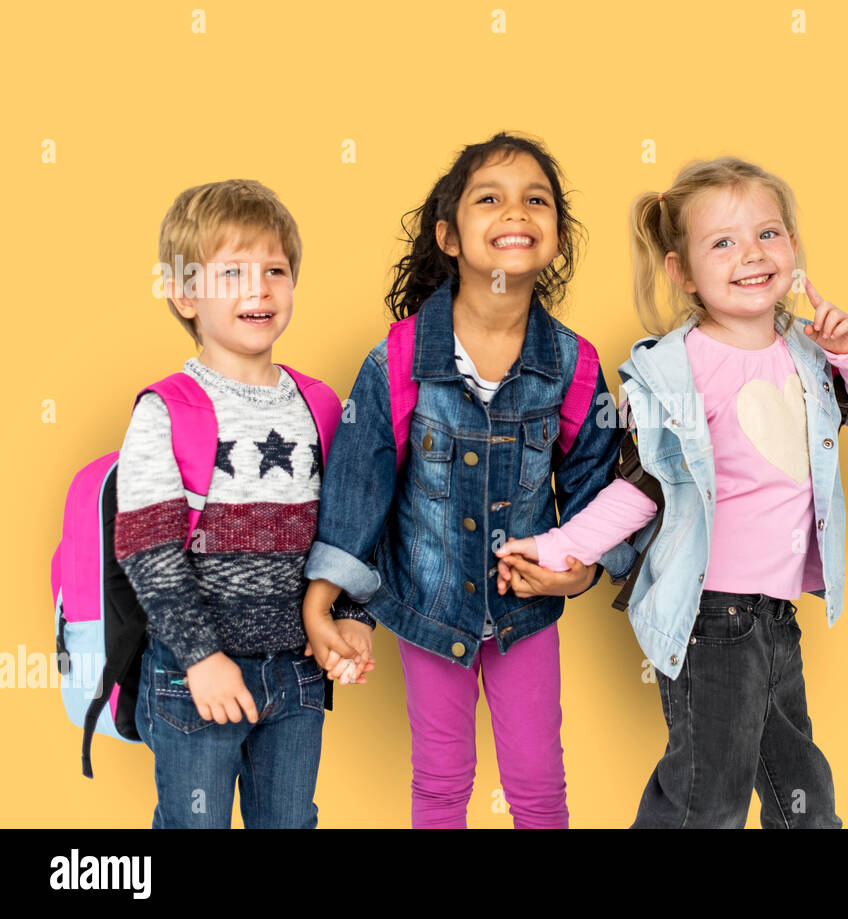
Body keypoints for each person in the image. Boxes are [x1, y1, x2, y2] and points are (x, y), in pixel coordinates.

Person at [495, 156, 848, 827]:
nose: (752, 254)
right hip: (712, 618)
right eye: (723, 243)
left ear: (793, 245)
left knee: (802, 790)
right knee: (705, 796)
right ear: (682, 272)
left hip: (775, 615)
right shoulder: (677, 371)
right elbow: (642, 489)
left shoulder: (807, 353)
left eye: (768, 233)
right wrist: (561, 545)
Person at [301, 133, 634, 828]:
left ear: (557, 239)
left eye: (536, 200)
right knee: (442, 779)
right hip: (427, 608)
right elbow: (359, 487)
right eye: (490, 198)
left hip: (525, 612)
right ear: (449, 236)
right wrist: (323, 601)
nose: (516, 211)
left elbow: (596, 486)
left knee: (538, 783)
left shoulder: (573, 364)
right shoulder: (398, 359)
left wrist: (578, 571)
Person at [117, 179, 371, 828]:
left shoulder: (320, 406)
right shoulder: (166, 410)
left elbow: (351, 527)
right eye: (231, 272)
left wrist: (351, 617)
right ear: (184, 295)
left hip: (297, 675)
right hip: (193, 677)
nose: (258, 289)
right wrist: (201, 657)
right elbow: (148, 551)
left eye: (274, 270)